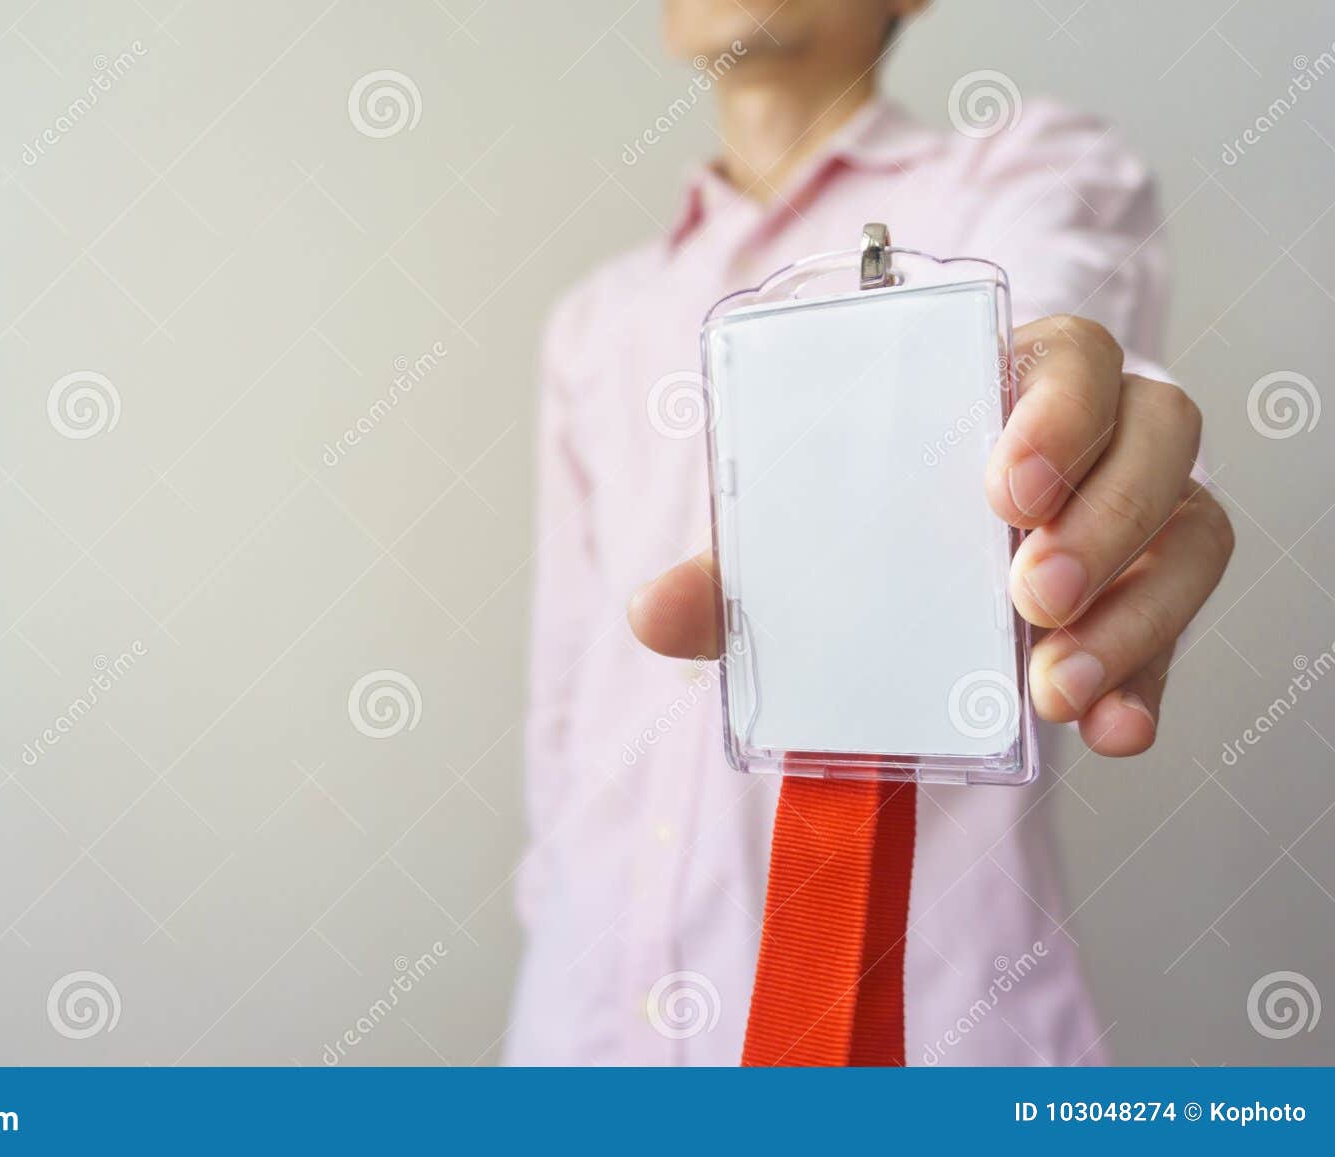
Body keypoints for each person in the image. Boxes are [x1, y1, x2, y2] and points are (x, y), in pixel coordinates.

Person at [508, 0, 1234, 1065]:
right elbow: (564, 689)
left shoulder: (1019, 178)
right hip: (580, 1033)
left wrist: (1073, 421)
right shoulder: (591, 322)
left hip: (923, 1038)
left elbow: (1064, 329)